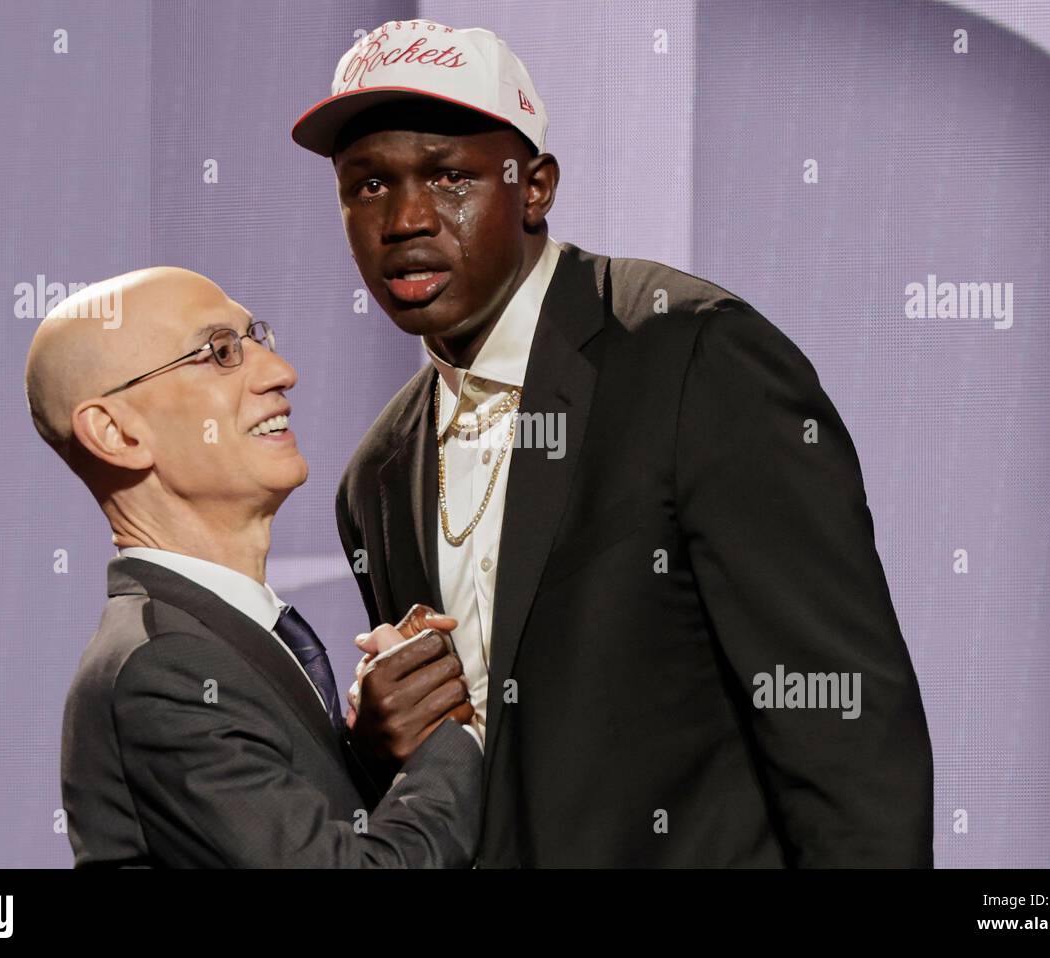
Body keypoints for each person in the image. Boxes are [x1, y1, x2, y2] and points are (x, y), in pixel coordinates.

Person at [292, 20, 934, 867]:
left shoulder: (693, 359)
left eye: (450, 177)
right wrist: (379, 747)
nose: (407, 218)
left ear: (535, 188)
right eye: (368, 185)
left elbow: (844, 724)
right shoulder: (378, 471)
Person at [25, 266, 481, 867]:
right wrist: (459, 739)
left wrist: (371, 749)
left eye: (255, 338)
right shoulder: (162, 669)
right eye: (219, 352)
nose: (280, 372)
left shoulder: (211, 639)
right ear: (116, 433)